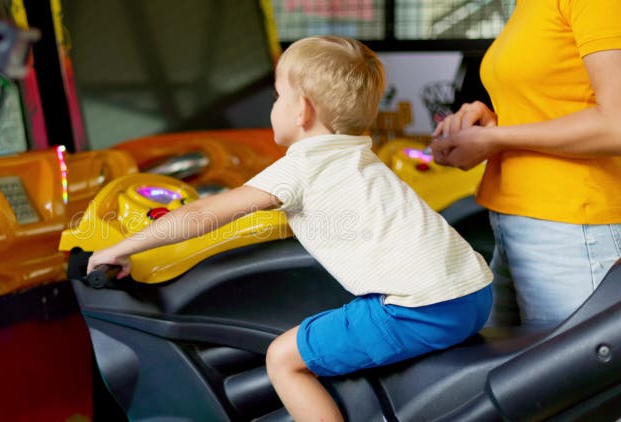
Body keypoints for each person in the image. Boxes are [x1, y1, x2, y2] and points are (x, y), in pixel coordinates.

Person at [87, 36, 493, 421]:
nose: (274, 105)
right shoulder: (358, 153)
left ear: (302, 110)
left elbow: (206, 213)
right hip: (473, 294)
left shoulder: (301, 166)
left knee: (283, 358)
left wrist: (123, 247)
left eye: (278, 96)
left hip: (422, 310)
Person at [431, 0, 621, 329]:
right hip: (517, 223)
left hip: (572, 228)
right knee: (499, 375)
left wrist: (496, 139)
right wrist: (489, 124)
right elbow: (553, 104)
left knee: (568, 378)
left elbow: (616, 124)